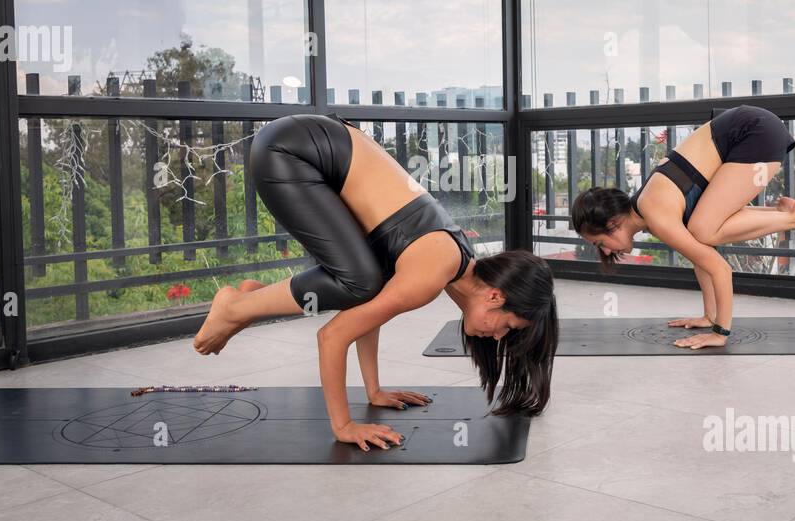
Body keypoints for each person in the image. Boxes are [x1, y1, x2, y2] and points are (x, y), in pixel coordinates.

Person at [194, 112, 558, 450]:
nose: (498, 337)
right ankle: (236, 306)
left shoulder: (452, 259)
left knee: (365, 281)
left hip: (308, 146)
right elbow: (333, 336)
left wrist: (374, 390)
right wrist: (344, 425)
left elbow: (369, 309)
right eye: (507, 327)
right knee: (359, 281)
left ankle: (250, 300)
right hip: (291, 151)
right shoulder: (432, 273)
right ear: (495, 296)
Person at [570, 105, 795, 350]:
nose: (604, 252)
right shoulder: (648, 207)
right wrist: (709, 316)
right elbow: (701, 257)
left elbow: (720, 268)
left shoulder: (655, 214)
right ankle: (786, 213)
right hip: (751, 128)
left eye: (599, 243)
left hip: (753, 131)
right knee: (702, 231)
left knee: (704, 229)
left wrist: (720, 332)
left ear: (612, 224)